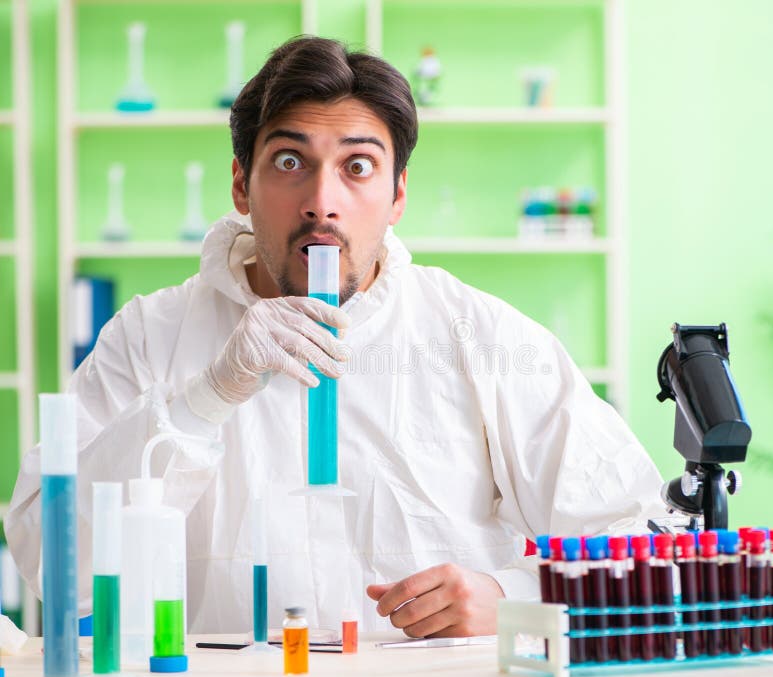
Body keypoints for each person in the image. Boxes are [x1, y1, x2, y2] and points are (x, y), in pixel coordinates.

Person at [6, 36, 665, 638]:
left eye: (357, 167)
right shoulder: (151, 336)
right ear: (242, 183)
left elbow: (641, 544)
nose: (322, 200)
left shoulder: (477, 334)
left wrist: (514, 598)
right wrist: (204, 400)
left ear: (398, 194)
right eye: (290, 160)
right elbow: (46, 560)